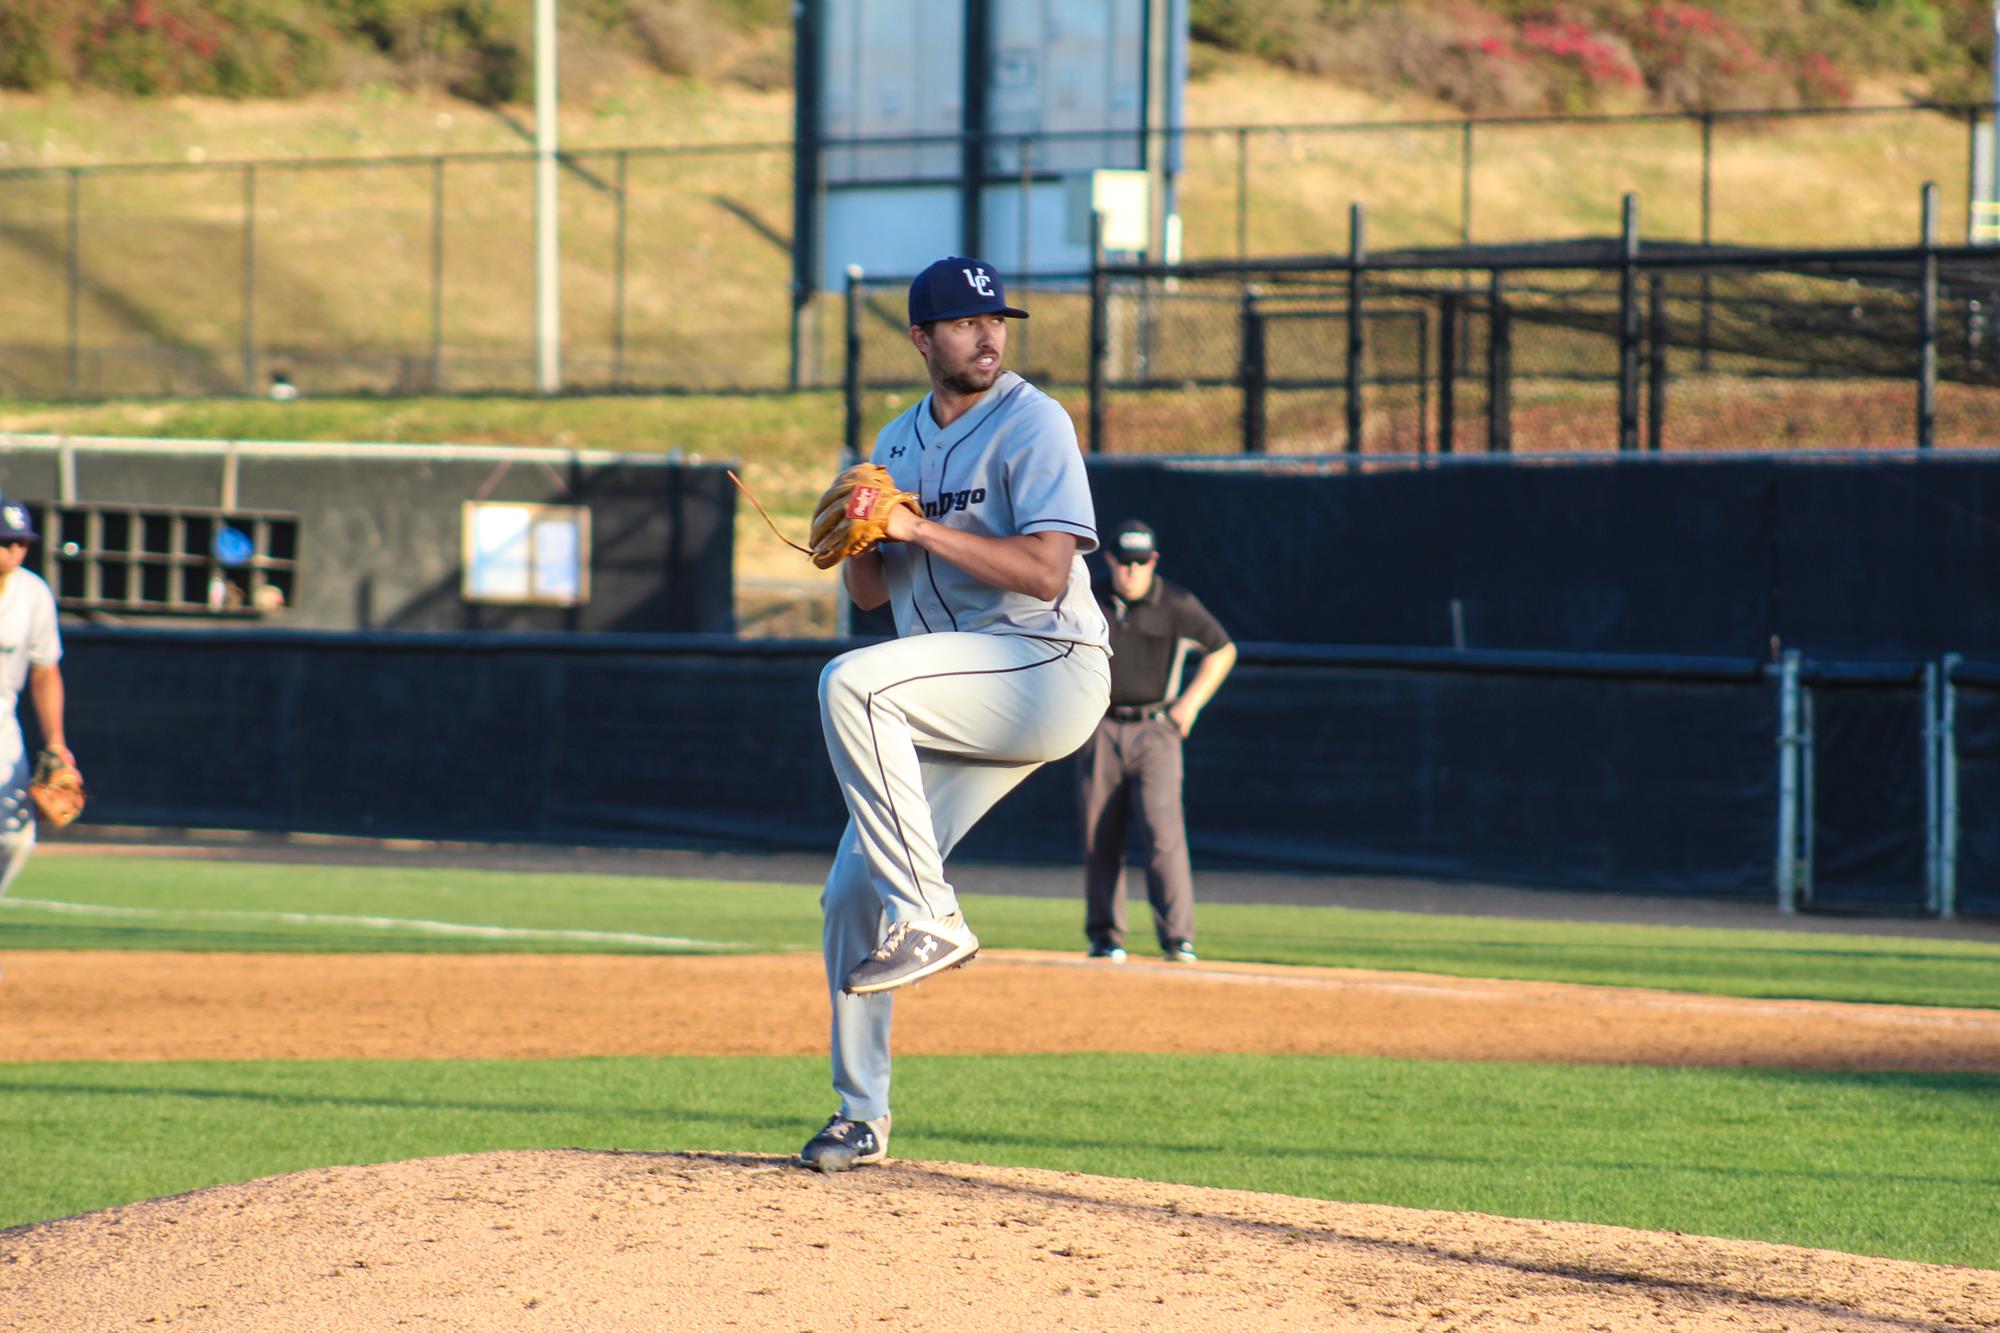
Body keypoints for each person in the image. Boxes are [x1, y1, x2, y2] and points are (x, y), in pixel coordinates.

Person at [800, 256, 1112, 1174]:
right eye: (967, 323)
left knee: (852, 683)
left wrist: (918, 529)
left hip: (1046, 666)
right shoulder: (893, 444)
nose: (989, 336)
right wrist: (854, 536)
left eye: (998, 320)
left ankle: (932, 910)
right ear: (921, 339)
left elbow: (1049, 573)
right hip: (950, 700)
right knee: (852, 893)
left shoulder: (1034, 420)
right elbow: (867, 592)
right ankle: (861, 1115)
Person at [1077, 519, 1236, 964]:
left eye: (1140, 562)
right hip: (1101, 726)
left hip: (1156, 730)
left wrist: (1190, 705)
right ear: (1109, 559)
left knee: (1163, 833)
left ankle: (1177, 938)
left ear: (1154, 562)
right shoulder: (1090, 599)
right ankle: (1106, 936)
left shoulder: (1175, 603)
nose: (1131, 571)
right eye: (1124, 562)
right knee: (1099, 834)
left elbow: (1223, 650)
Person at [0, 501, 69, 897]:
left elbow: (45, 671)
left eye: (22, 542)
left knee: (16, 838)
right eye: (6, 541)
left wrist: (56, 741)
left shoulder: (32, 593)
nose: (14, 550)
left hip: (4, 731)